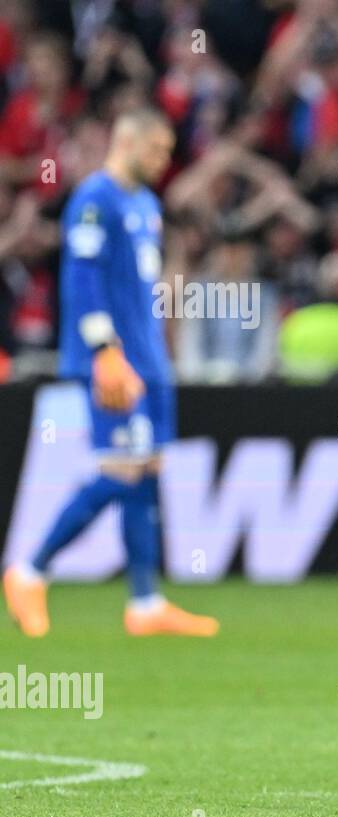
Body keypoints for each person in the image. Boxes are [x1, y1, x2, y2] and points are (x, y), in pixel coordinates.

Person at [4, 109, 219, 638]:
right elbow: (80, 279)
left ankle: (145, 604)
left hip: (148, 359)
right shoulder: (94, 199)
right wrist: (103, 348)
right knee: (121, 469)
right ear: (126, 141)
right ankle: (30, 571)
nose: (164, 162)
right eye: (157, 150)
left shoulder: (145, 203)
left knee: (145, 469)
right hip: (113, 359)